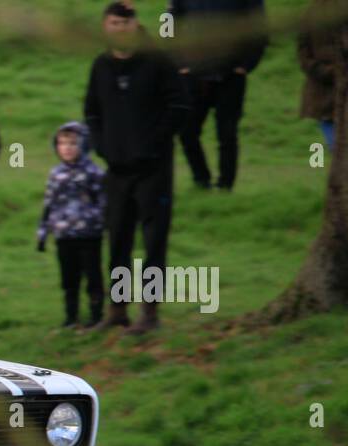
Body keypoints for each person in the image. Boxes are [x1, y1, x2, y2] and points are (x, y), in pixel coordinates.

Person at [84, 2, 190, 335]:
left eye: (125, 23)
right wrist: (102, 146)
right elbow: (91, 111)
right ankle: (117, 310)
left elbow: (180, 105)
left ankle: (150, 312)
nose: (120, 28)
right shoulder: (101, 66)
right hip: (116, 169)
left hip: (153, 168)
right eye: (114, 23)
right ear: (105, 27)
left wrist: (154, 143)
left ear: (135, 25)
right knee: (117, 238)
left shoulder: (158, 61)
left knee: (153, 239)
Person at [167, 0, 268, 191]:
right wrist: (177, 61)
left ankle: (225, 185)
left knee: (227, 134)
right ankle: (201, 180)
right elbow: (169, 21)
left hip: (231, 74)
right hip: (194, 74)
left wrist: (247, 64)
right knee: (187, 131)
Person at [37, 122, 107, 329]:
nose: (67, 148)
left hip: (89, 235)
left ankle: (96, 315)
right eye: (62, 143)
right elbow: (48, 204)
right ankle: (71, 316)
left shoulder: (94, 172)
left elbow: (103, 202)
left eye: (73, 143)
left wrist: (96, 222)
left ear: (85, 145)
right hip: (63, 235)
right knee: (69, 278)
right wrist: (43, 232)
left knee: (92, 276)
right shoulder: (55, 174)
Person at [297, 0, 338, 150]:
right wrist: (325, 71)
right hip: (324, 88)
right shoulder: (312, 14)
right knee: (334, 144)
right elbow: (303, 53)